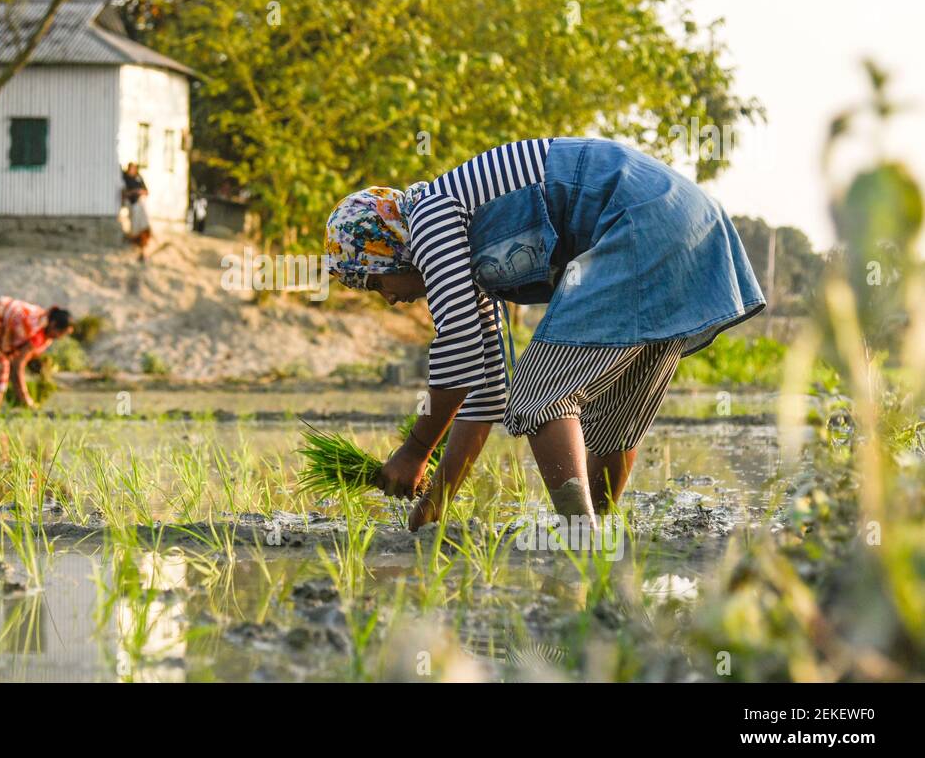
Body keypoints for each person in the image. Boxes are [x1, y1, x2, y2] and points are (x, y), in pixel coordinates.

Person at [324, 137, 765, 532]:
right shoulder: (463, 248)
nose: (389, 298)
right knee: (611, 422)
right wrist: (434, 505)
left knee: (540, 396)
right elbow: (483, 391)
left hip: (640, 222)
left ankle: (579, 536)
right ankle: (596, 537)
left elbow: (456, 354)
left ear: (386, 248)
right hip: (683, 220)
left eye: (376, 282)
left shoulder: (428, 219)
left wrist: (415, 451)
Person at [0, 298, 74, 409]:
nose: (60, 337)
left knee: (2, 366)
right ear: (53, 324)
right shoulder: (36, 331)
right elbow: (17, 365)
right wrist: (25, 399)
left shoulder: (41, 323)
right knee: (1, 366)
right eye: (61, 333)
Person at [122, 162, 151, 261]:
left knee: (143, 227)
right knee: (136, 227)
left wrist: (140, 192)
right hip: (132, 204)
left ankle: (143, 251)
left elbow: (146, 191)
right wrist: (134, 192)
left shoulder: (138, 178)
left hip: (140, 204)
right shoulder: (125, 178)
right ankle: (138, 250)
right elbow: (124, 193)